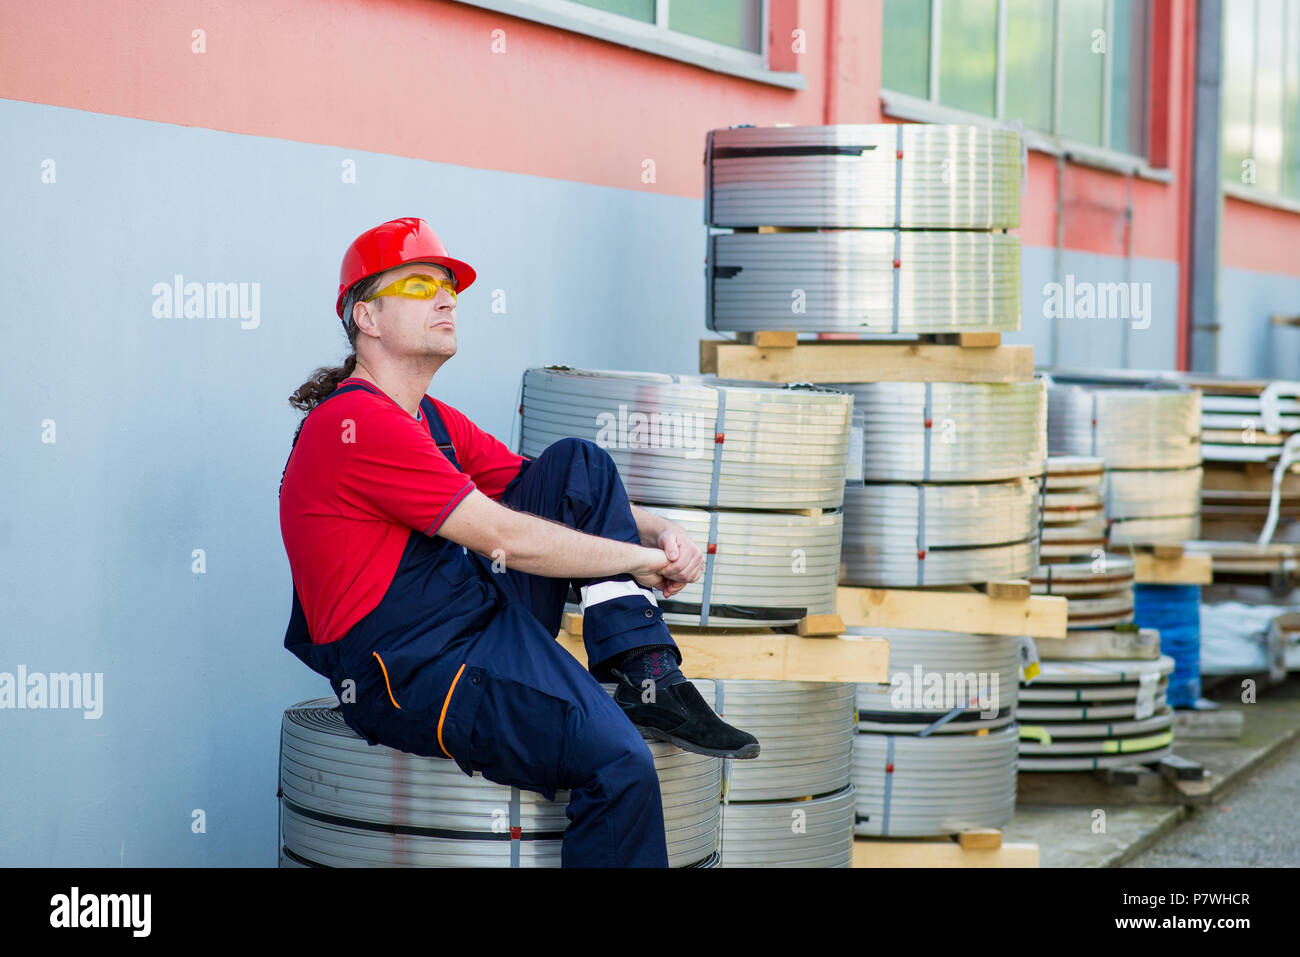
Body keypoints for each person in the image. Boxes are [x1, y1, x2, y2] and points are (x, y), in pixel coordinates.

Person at [278, 217, 758, 867]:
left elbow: (552, 490)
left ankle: (646, 671)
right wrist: (642, 562)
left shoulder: (431, 419)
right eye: (421, 284)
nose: (447, 297)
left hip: (472, 619)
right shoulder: (356, 422)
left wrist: (658, 527)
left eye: (451, 286)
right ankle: (639, 685)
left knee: (580, 465)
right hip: (410, 671)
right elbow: (507, 536)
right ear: (366, 315)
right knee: (620, 763)